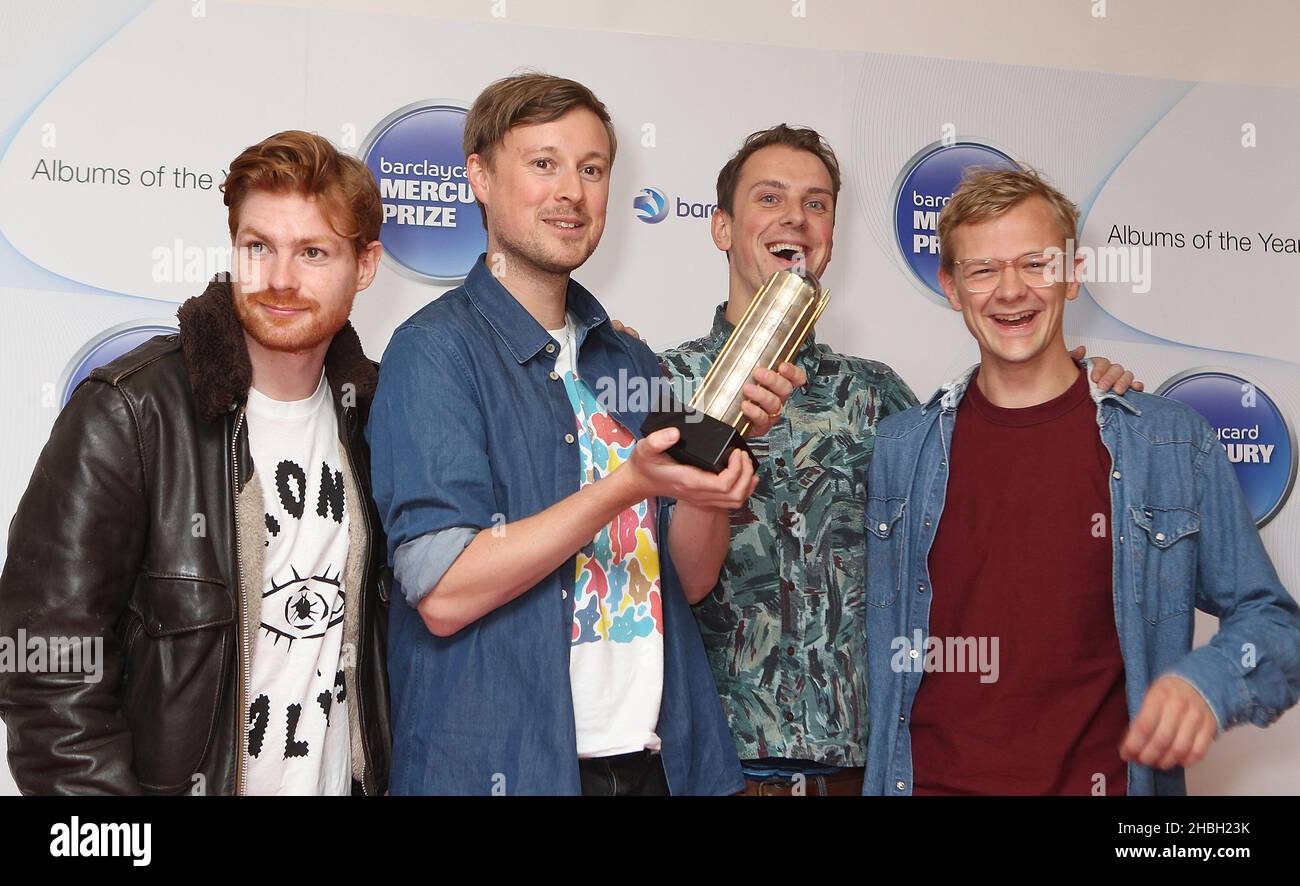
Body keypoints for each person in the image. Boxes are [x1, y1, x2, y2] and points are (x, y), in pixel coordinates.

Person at [659, 125, 1138, 795]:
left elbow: (981, 524)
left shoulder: (879, 396)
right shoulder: (661, 384)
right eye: (770, 198)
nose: (796, 216)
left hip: (867, 774)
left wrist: (1068, 394)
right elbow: (657, 584)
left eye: (817, 203)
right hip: (712, 773)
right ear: (722, 228)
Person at [367, 73, 803, 795]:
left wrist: (718, 464)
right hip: (504, 768)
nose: (571, 190)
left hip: (654, 764)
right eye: (543, 164)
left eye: (592, 169)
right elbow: (442, 593)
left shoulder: (632, 361)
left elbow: (690, 580)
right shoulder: (433, 352)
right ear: (479, 176)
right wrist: (627, 483)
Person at [862, 166, 1300, 795]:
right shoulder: (900, 448)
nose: (1010, 292)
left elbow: (1274, 625)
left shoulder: (1168, 444)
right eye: (983, 270)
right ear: (951, 286)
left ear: (1072, 273)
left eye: (1035, 264)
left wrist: (1208, 683)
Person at [0, 130, 392, 795]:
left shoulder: (381, 420)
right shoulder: (130, 411)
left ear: (365, 265)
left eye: (314, 252)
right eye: (258, 247)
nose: (280, 279)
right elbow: (48, 672)